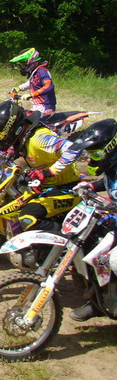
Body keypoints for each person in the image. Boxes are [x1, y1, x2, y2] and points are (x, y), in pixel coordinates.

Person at [0, 99, 84, 243]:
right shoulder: (23, 140)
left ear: (11, 129)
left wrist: (49, 172)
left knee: (28, 218)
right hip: (46, 188)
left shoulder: (38, 139)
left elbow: (74, 148)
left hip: (67, 189)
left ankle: (71, 245)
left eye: (0, 134)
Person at [67, 118, 117, 321]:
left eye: (95, 154)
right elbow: (110, 183)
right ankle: (100, 301)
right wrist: (92, 187)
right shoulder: (112, 167)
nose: (90, 160)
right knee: (87, 244)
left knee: (113, 259)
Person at [9, 47, 56, 116]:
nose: (23, 67)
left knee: (27, 123)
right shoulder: (35, 72)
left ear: (31, 61)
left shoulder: (42, 71)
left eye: (23, 64)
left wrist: (32, 95)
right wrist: (19, 88)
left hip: (45, 107)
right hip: (37, 106)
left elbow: (49, 86)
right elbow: (32, 83)